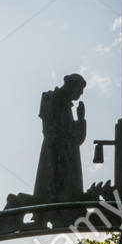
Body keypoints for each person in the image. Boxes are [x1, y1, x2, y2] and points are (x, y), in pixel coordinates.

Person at [33, 73, 87, 203]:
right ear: (71, 86)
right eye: (79, 91)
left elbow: (76, 139)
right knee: (50, 195)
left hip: (68, 156)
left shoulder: (66, 106)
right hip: (54, 155)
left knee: (69, 198)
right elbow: (51, 131)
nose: (80, 95)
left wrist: (80, 119)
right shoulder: (49, 98)